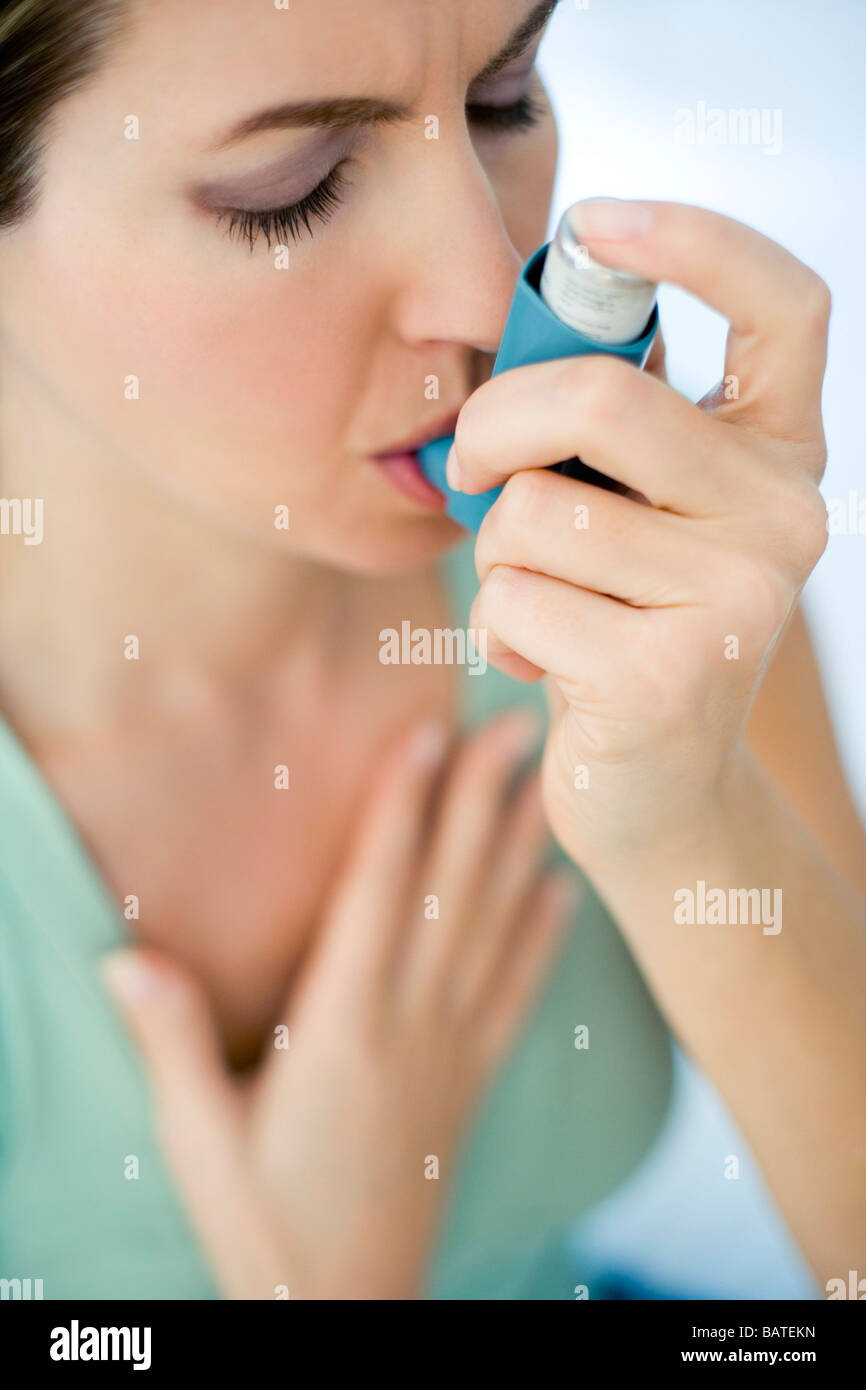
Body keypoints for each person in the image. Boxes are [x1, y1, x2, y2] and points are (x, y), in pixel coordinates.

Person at [0, 0, 862, 1301]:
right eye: (291, 194)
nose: (486, 287)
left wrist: (685, 813)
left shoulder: (630, 570)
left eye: (504, 93)